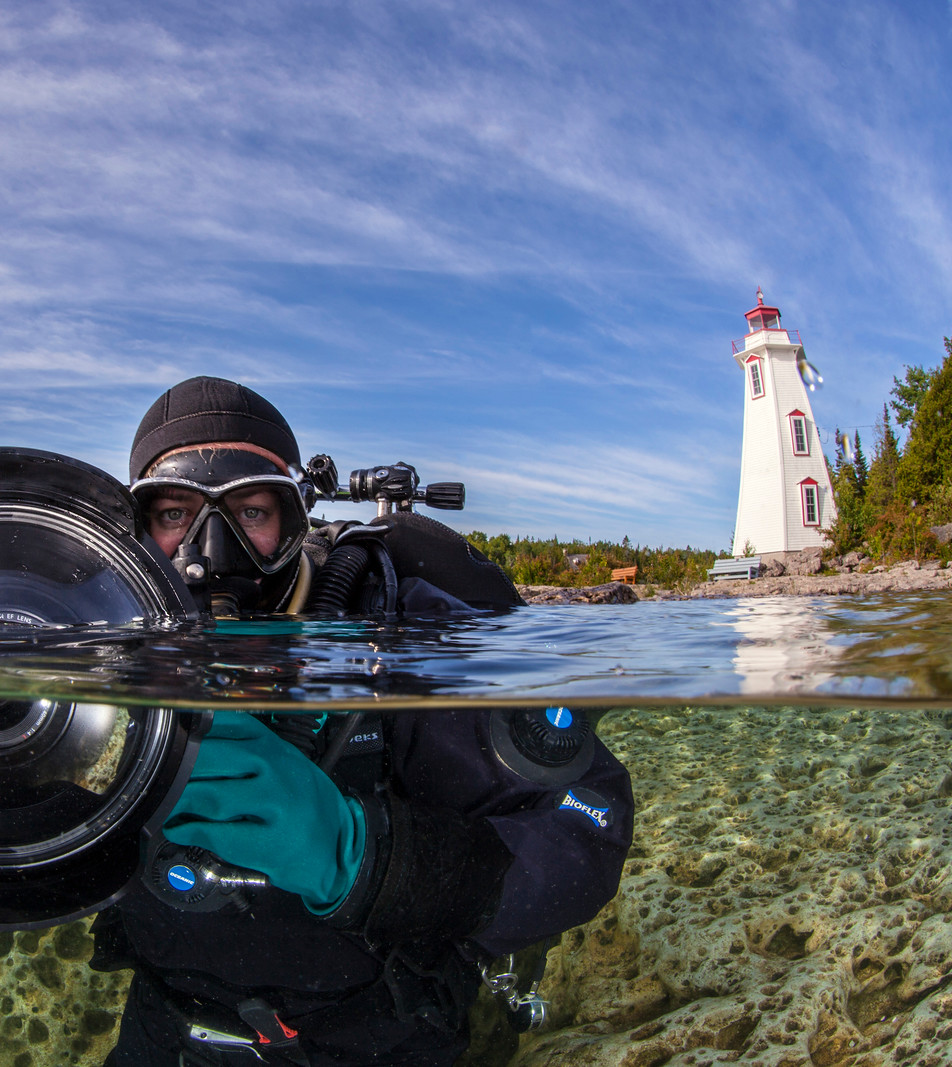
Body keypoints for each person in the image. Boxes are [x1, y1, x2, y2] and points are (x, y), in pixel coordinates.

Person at [93, 376, 633, 1066]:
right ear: (133, 532)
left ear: (295, 517)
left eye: (251, 510)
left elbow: (591, 826)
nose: (211, 551)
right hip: (169, 1030)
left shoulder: (399, 630)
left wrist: (365, 858)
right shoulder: (95, 643)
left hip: (377, 1036)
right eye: (173, 514)